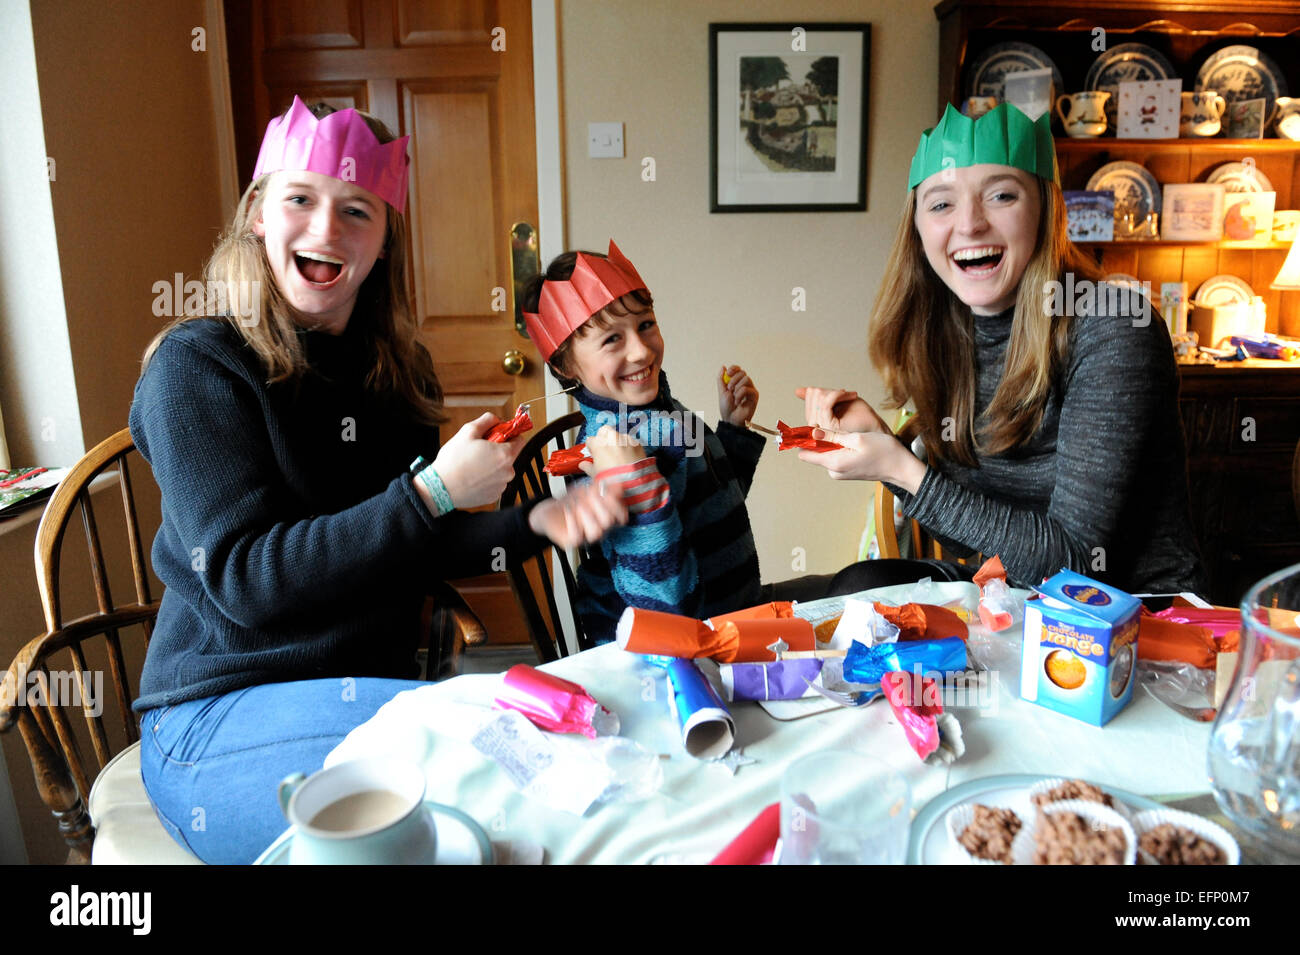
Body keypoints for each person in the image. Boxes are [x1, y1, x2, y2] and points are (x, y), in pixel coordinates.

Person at [129, 97, 626, 864]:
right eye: (301, 199)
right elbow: (246, 579)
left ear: (385, 238)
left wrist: (538, 522)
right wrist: (430, 491)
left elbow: (403, 546)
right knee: (483, 768)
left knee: (562, 762)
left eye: (357, 209)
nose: (327, 228)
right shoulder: (197, 367)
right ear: (259, 213)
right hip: (218, 717)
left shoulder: (394, 375)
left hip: (373, 700)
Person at [796, 103, 1204, 595]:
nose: (969, 225)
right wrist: (885, 447)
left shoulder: (1113, 327)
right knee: (861, 585)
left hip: (1134, 610)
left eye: (1001, 196)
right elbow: (974, 540)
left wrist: (900, 468)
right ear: (919, 228)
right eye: (942, 203)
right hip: (1016, 596)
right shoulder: (944, 334)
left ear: (1044, 210)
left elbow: (1075, 568)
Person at [521, 241, 765, 643]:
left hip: (730, 622)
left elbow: (714, 507)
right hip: (662, 660)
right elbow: (662, 608)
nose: (640, 350)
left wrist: (733, 432)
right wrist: (635, 482)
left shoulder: (666, 415)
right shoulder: (608, 454)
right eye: (611, 340)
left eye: (645, 324)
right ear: (567, 367)